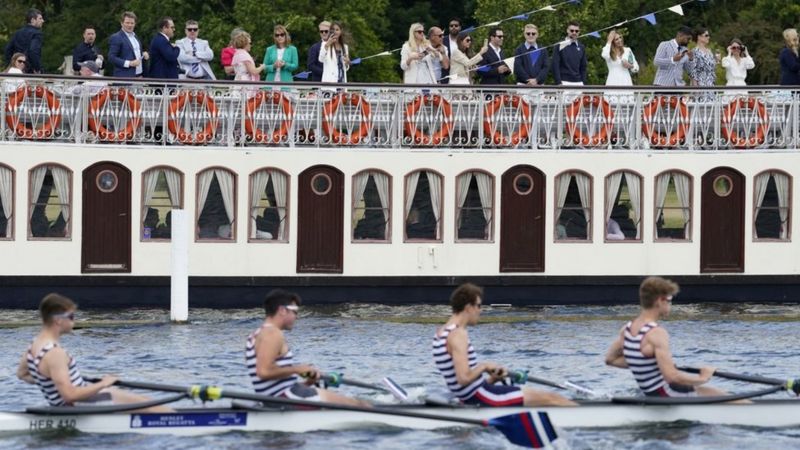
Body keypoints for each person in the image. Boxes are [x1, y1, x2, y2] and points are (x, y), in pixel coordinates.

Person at [16, 293, 171, 411]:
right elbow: (69, 395)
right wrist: (103, 383)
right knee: (152, 406)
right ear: (58, 320)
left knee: (133, 399)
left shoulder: (33, 346)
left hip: (70, 402)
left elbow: (23, 375)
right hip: (79, 404)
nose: (74, 321)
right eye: (71, 316)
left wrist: (56, 380)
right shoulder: (55, 353)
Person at [433, 283, 576, 406]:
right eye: (479, 305)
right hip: (480, 396)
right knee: (553, 398)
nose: (480, 310)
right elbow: (463, 379)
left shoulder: (440, 333)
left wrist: (492, 380)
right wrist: (484, 366)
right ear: (468, 307)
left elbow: (461, 385)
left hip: (472, 395)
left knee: (545, 398)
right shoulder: (458, 334)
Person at [605, 277, 729, 397]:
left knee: (710, 392)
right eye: (669, 300)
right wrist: (703, 377)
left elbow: (610, 360)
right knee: (736, 400)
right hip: (667, 393)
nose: (670, 304)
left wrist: (650, 364)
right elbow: (672, 377)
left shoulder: (626, 329)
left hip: (650, 393)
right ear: (660, 300)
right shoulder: (656, 332)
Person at [246, 289, 369, 406]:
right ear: (282, 310)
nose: (296, 316)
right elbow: (264, 372)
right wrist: (298, 369)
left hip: (279, 396)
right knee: (360, 405)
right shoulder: (272, 333)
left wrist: (307, 383)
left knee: (353, 402)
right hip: (284, 399)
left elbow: (272, 382)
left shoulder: (257, 334)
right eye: (295, 312)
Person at [108, 11, 149, 78]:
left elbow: (132, 54)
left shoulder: (135, 36)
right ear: (121, 23)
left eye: (132, 23)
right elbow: (111, 57)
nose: (130, 25)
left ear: (135, 24)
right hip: (125, 78)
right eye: (127, 23)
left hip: (139, 76)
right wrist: (129, 63)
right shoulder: (116, 37)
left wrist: (143, 54)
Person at [4, 8, 44, 74]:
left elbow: (7, 50)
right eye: (40, 18)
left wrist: (12, 65)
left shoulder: (18, 33)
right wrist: (37, 68)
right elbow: (33, 51)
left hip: (17, 71)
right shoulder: (37, 33)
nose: (43, 21)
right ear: (33, 20)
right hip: (30, 72)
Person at [553, 21, 588, 85]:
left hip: (579, 83)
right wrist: (558, 82)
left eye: (576, 31)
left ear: (579, 32)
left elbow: (583, 67)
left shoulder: (581, 47)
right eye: (572, 30)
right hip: (564, 82)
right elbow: (555, 65)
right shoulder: (559, 45)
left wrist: (583, 83)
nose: (574, 33)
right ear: (567, 31)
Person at [441, 18, 462, 84]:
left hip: (461, 75)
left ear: (460, 27)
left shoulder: (464, 40)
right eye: (451, 26)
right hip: (446, 74)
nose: (453, 27)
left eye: (456, 25)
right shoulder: (443, 40)